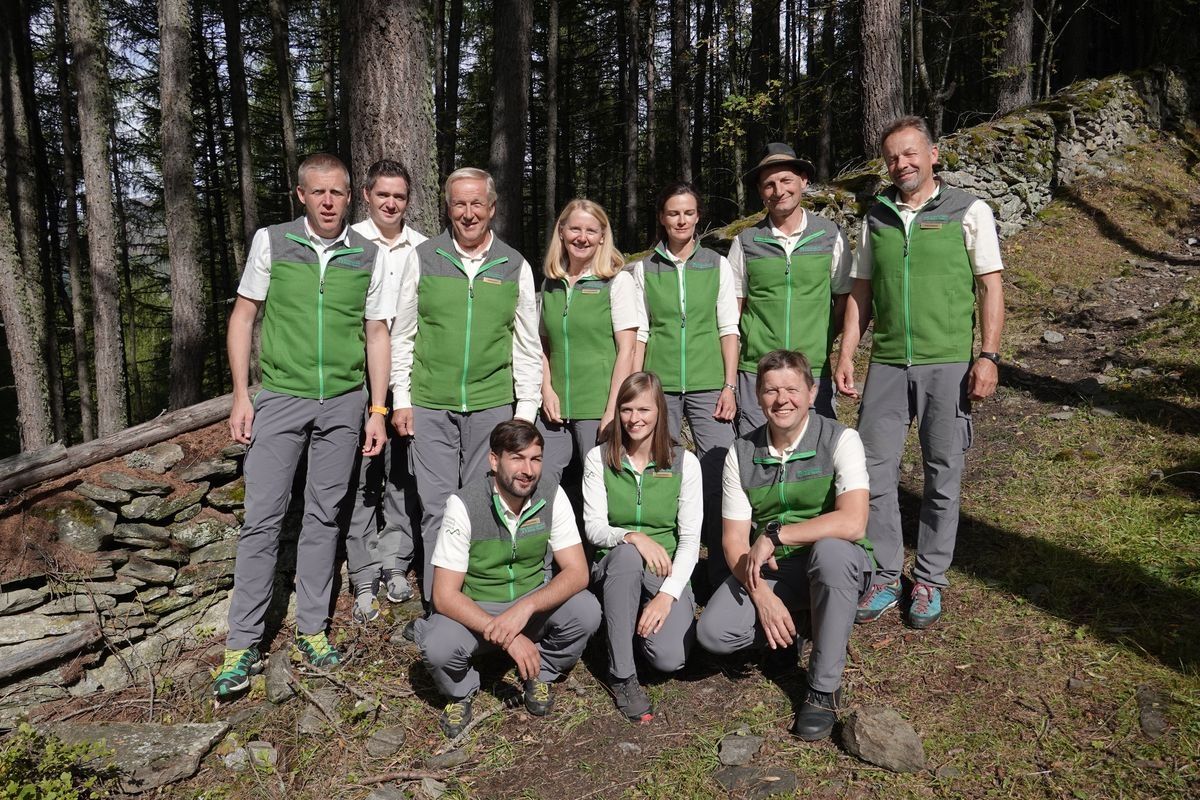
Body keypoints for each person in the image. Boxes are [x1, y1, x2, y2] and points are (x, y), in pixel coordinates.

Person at [213, 153, 391, 699]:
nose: (329, 201)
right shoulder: (271, 242)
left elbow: (376, 333)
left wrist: (377, 408)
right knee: (262, 520)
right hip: (282, 398)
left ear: (350, 196)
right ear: (301, 196)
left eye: (337, 192)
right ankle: (242, 643)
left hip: (343, 403)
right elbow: (244, 316)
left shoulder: (367, 254)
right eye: (319, 193)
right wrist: (243, 394)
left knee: (324, 517)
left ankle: (312, 629)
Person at [835, 115, 1004, 629]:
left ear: (933, 155)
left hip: (947, 361)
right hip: (887, 361)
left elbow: (990, 285)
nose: (901, 164)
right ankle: (887, 573)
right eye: (892, 157)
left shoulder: (968, 209)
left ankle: (929, 576)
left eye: (910, 153)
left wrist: (988, 356)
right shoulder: (877, 216)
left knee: (942, 473)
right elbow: (861, 291)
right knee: (872, 471)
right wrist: (846, 352)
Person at [696, 349, 872, 741]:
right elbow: (733, 541)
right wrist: (761, 598)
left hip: (832, 562)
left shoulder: (841, 439)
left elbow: (854, 522)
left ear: (811, 392)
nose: (782, 399)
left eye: (792, 389)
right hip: (775, 572)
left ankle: (823, 688)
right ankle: (800, 623)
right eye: (771, 390)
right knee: (714, 632)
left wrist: (776, 536)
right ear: (758, 398)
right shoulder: (741, 453)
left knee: (832, 551)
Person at [390, 167, 542, 605]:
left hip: (493, 405)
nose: (469, 213)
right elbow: (403, 334)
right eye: (460, 203)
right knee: (437, 507)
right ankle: (441, 607)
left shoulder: (514, 265)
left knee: (483, 504)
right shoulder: (422, 257)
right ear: (448, 207)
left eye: (477, 204)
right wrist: (402, 399)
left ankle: (480, 599)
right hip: (431, 403)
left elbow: (527, 344)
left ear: (492, 209)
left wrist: (524, 413)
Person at [414, 420, 602, 737]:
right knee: (437, 646)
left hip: (531, 602)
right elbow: (444, 595)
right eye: (517, 457)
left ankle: (540, 670)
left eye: (535, 459)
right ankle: (460, 692)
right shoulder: (464, 505)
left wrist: (526, 609)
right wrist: (508, 636)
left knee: (587, 611)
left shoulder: (552, 496)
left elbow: (577, 571)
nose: (527, 469)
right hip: (478, 611)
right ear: (494, 460)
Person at [632, 181, 739, 582]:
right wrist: (639, 390)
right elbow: (641, 332)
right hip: (659, 387)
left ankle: (721, 566)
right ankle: (671, 566)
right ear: (661, 217)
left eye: (689, 213)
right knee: (663, 473)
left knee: (718, 472)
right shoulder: (644, 268)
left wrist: (729, 385)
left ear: (698, 217)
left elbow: (728, 327)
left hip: (710, 383)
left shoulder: (716, 264)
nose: (681, 220)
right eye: (673, 213)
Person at [582, 372, 701, 722]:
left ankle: (625, 628)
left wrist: (668, 595)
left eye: (644, 410)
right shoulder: (599, 459)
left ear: (660, 411)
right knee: (626, 557)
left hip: (665, 574)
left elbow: (691, 540)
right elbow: (594, 528)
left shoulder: (684, 463)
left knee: (670, 659)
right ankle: (622, 674)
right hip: (614, 565)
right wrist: (632, 536)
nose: (635, 419)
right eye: (627, 409)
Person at [342, 159, 428, 623]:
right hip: (359, 375)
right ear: (367, 197)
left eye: (399, 196)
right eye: (383, 196)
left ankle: (396, 561)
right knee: (360, 477)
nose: (391, 203)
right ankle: (363, 570)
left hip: (408, 376)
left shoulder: (424, 248)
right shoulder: (352, 243)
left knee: (402, 475)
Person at [730, 143, 852, 430]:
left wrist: (821, 338)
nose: (778, 190)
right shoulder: (745, 242)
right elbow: (733, 310)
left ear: (804, 181)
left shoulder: (830, 236)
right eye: (769, 184)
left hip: (811, 370)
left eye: (786, 180)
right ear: (761, 191)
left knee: (814, 454)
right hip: (756, 372)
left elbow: (844, 299)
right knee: (756, 456)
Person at [539, 199, 640, 492]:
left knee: (599, 488)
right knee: (544, 483)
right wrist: (546, 390)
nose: (582, 237)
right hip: (553, 411)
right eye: (575, 229)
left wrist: (612, 410)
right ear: (561, 232)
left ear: (602, 237)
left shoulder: (617, 283)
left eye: (591, 231)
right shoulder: (551, 284)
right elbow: (543, 346)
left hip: (596, 409)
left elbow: (627, 351)